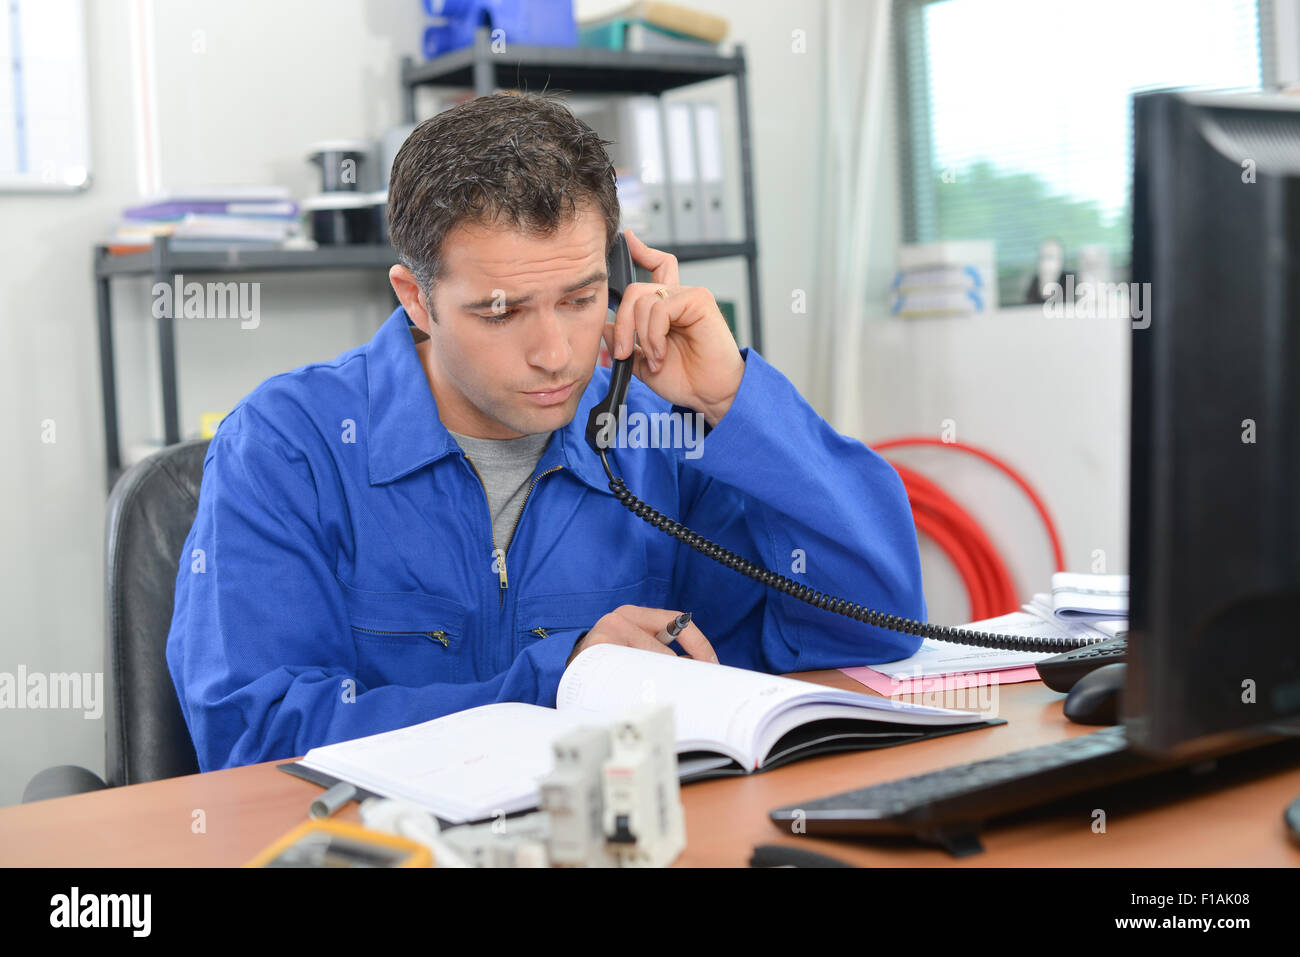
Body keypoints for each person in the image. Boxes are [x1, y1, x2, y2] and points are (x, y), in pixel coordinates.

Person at [166, 91, 927, 772]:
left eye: (579, 297)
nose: (557, 354)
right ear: (417, 299)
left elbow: (873, 624)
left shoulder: (658, 437)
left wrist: (734, 400)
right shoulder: (286, 447)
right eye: (501, 311)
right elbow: (252, 742)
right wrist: (560, 683)